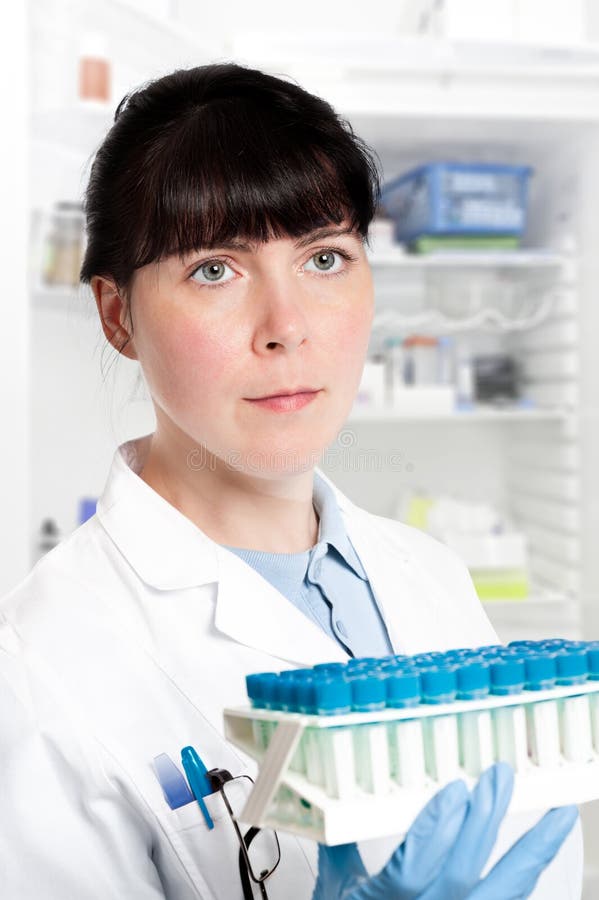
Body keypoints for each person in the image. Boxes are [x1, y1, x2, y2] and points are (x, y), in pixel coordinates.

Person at [0, 63, 581, 899]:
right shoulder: (40, 665)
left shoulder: (428, 573)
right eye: (214, 269)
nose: (286, 328)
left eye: (324, 257)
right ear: (117, 315)